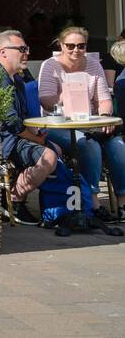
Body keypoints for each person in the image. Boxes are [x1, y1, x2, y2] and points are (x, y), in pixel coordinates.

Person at [37, 25, 125, 218]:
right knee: (88, 146)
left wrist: (106, 117)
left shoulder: (94, 65)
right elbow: (45, 99)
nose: (76, 50)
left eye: (81, 45)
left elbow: (104, 99)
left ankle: (122, 203)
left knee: (118, 145)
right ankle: (93, 203)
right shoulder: (50, 65)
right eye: (70, 46)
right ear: (61, 45)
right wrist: (68, 93)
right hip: (59, 124)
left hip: (90, 123)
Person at [0, 29, 55, 223]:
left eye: (26, 48)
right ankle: (13, 201)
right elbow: (11, 123)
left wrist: (36, 131)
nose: (27, 52)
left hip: (13, 137)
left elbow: (21, 116)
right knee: (49, 156)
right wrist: (36, 138)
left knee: (57, 148)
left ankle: (14, 199)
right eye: (21, 48)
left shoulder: (16, 78)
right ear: (3, 52)